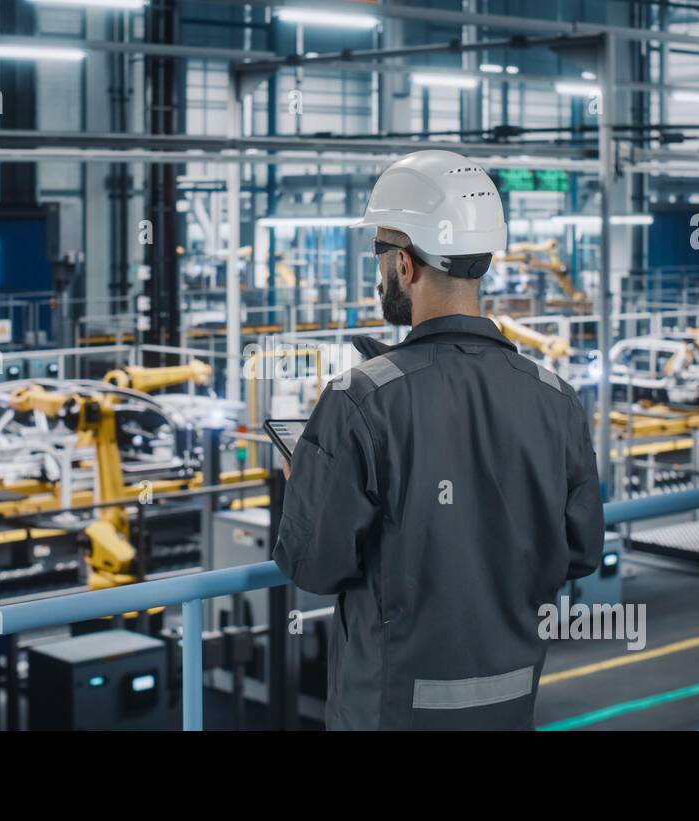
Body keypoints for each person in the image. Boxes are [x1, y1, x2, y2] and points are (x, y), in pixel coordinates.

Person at [273, 150, 605, 730]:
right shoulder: (556, 397)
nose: (379, 273)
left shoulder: (360, 399)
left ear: (404, 263)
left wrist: (307, 488)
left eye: (379, 252)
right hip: (510, 706)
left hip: (391, 712)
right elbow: (581, 552)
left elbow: (314, 565)